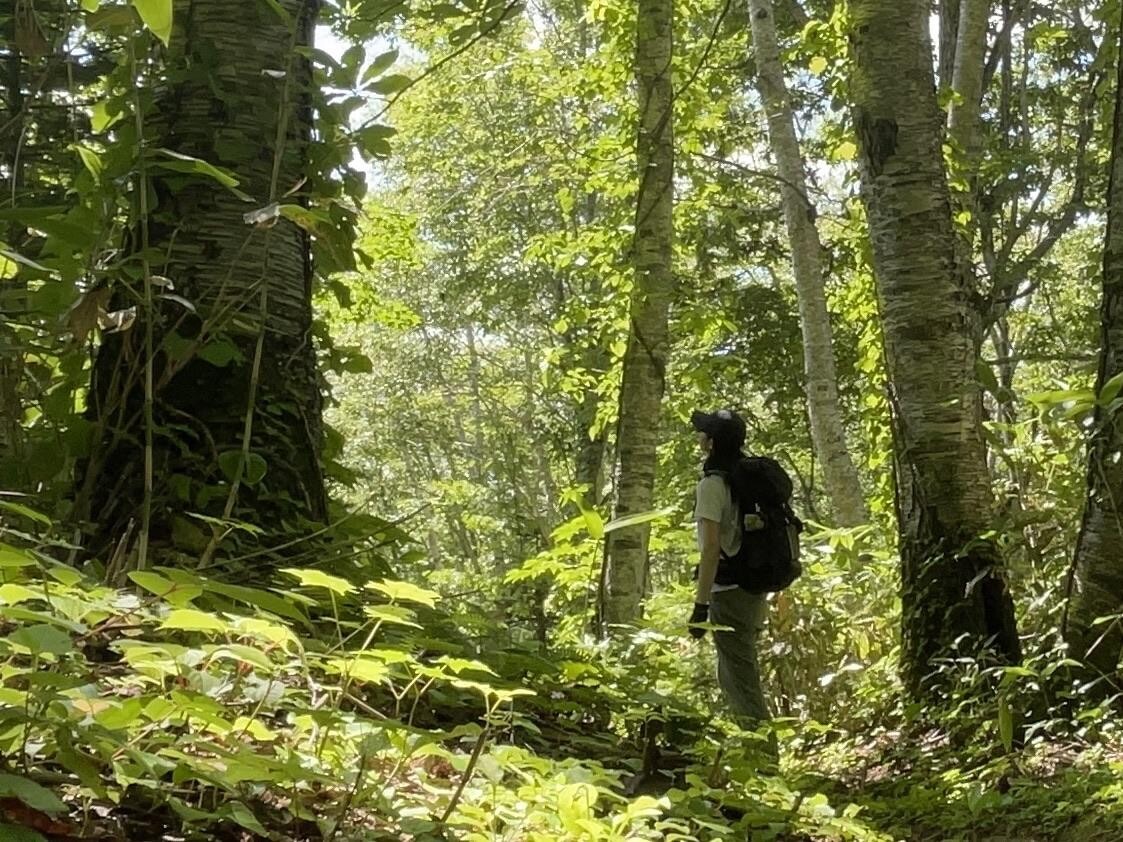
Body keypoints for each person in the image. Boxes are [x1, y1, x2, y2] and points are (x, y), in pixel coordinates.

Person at [687, 409, 772, 729]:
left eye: (703, 433)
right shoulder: (745, 476)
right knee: (736, 674)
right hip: (752, 586)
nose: (699, 437)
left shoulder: (712, 485)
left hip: (730, 592)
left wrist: (700, 607)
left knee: (740, 681)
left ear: (711, 443)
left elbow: (711, 549)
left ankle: (764, 766)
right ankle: (755, 757)